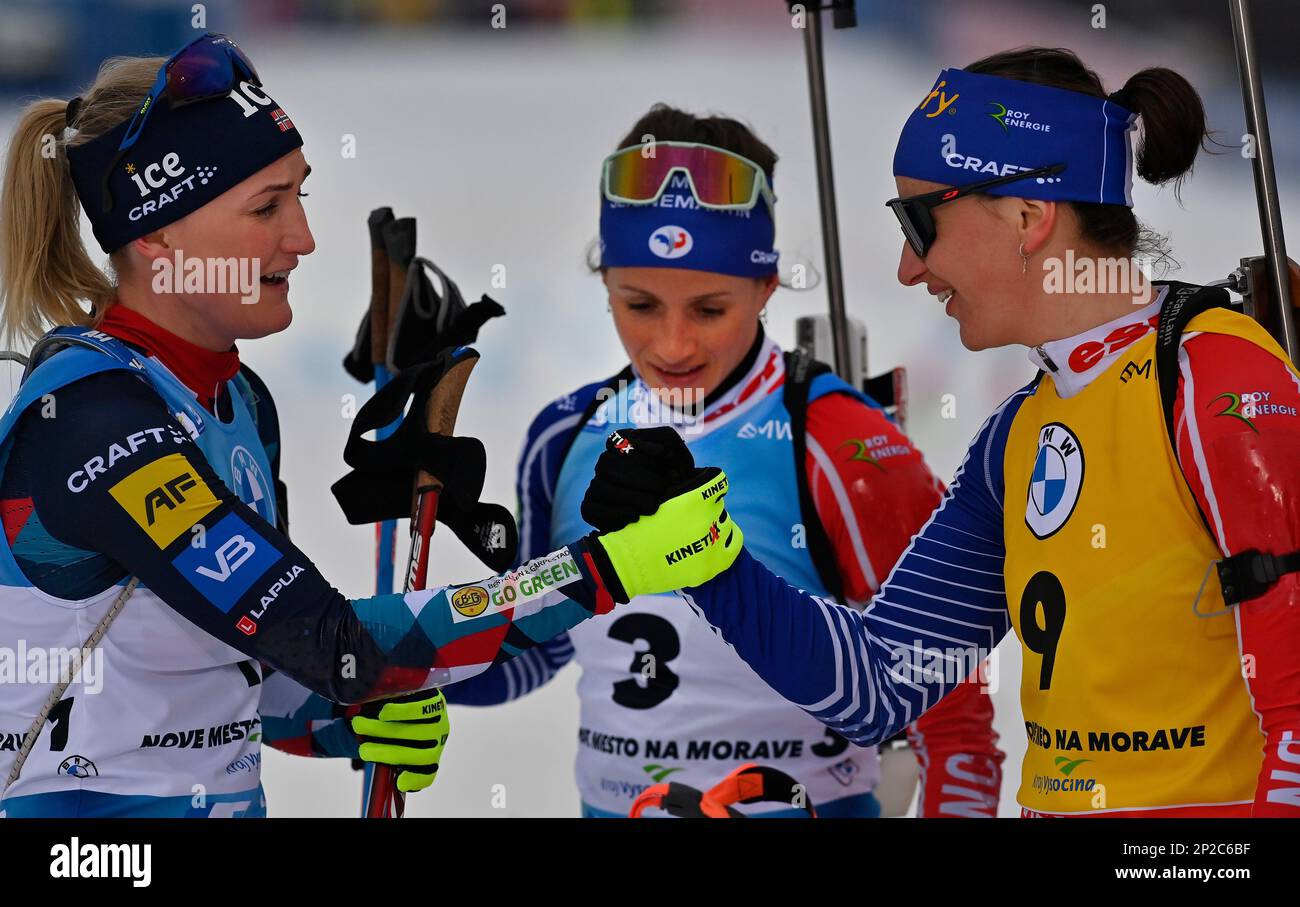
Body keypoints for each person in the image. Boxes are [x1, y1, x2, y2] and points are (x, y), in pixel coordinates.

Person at [0, 34, 736, 817]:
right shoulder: (93, 422)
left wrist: (338, 720)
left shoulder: (237, 402)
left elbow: (246, 666)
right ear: (156, 236)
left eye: (299, 196)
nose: (302, 237)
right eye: (265, 207)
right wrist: (600, 571)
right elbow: (331, 640)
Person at [585, 49, 1300, 817]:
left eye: (919, 221)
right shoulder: (1018, 433)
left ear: (1029, 214)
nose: (907, 268)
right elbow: (879, 682)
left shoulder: (1212, 376)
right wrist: (706, 548)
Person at [447, 105, 1004, 818]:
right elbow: (532, 652)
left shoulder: (839, 440)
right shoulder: (566, 436)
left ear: (767, 287)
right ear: (605, 281)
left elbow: (954, 721)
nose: (672, 344)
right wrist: (384, 665)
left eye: (710, 309)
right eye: (639, 304)